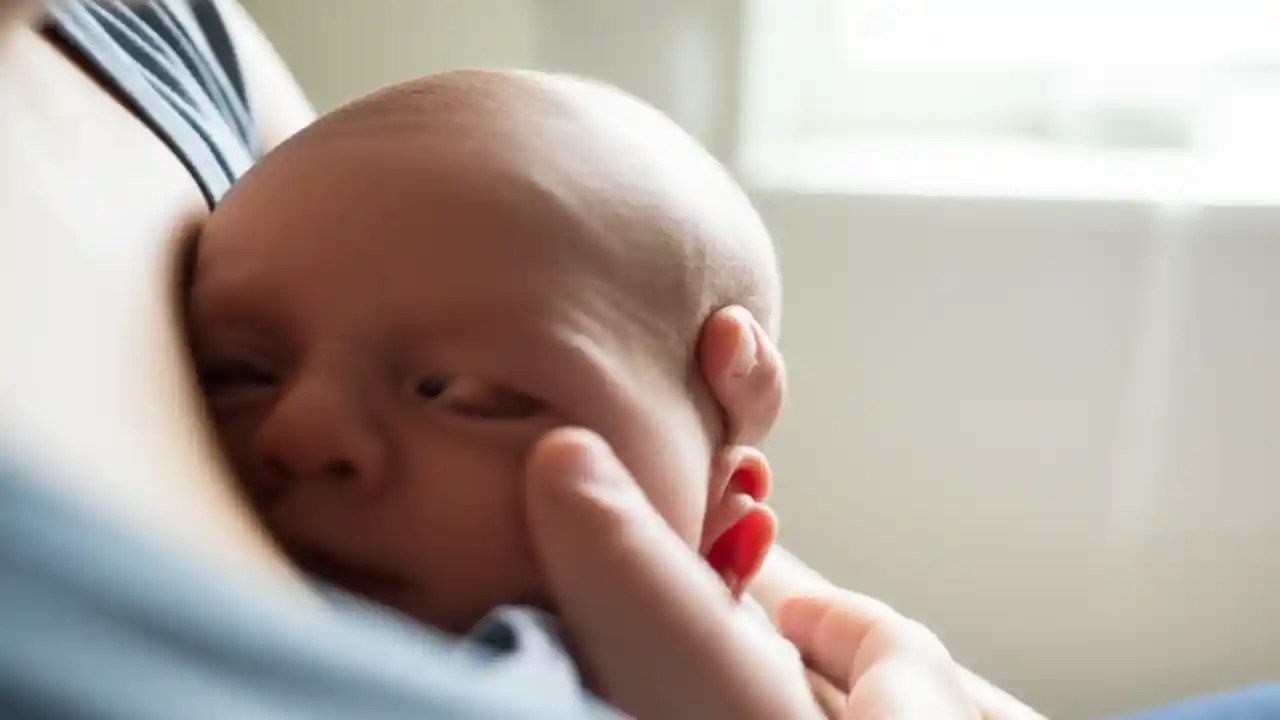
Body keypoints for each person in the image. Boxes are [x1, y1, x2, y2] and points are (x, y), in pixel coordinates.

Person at [1, 1, 1039, 717]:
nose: (297, 432)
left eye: (465, 395)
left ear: (726, 534)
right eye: (237, 373)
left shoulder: (160, 29)